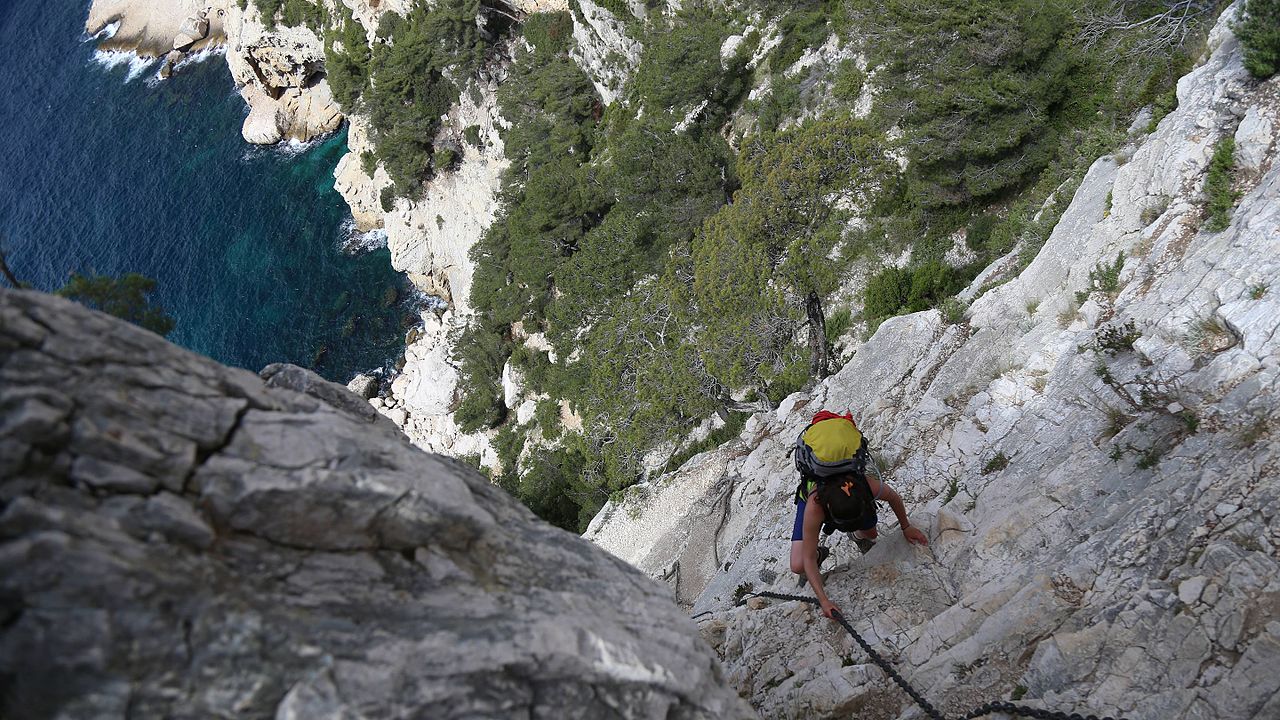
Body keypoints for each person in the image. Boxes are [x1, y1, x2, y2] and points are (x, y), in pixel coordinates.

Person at [788, 412, 929, 620]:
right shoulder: (814, 505)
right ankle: (823, 553)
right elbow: (807, 559)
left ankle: (856, 535)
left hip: (850, 503)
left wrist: (906, 526)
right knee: (798, 565)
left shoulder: (866, 486)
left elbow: (894, 498)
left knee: (870, 533)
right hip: (822, 501)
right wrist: (824, 600)